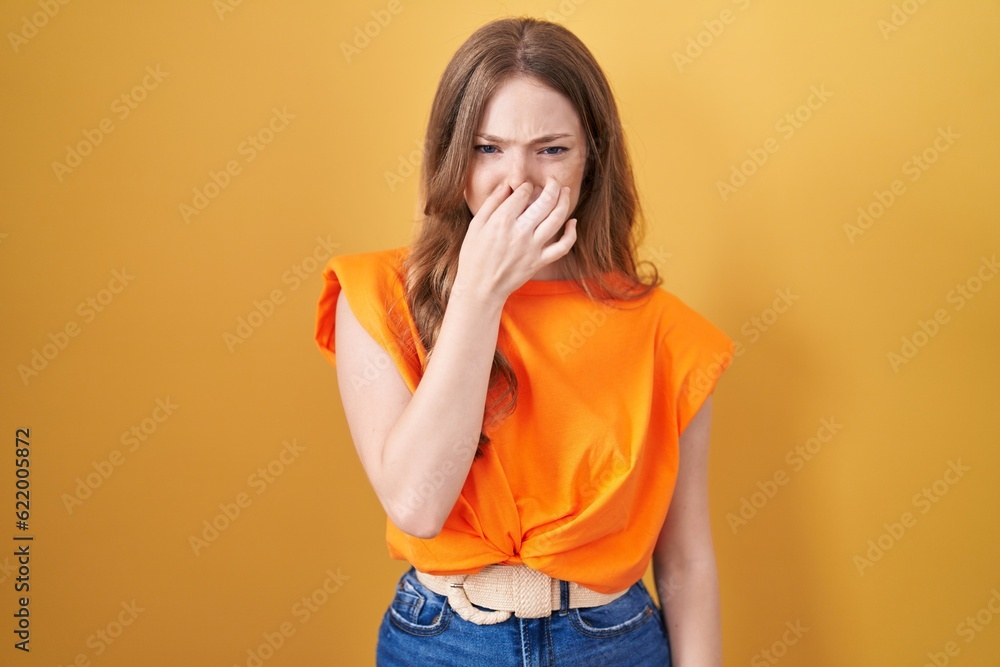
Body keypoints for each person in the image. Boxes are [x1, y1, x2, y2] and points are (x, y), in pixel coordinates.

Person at [315, 16, 735, 667]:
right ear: (452, 158)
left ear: (593, 159)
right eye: (488, 148)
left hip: (612, 642)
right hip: (441, 641)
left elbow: (685, 561)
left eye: (552, 149)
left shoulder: (666, 333)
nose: (519, 179)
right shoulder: (373, 295)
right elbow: (418, 504)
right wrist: (480, 294)